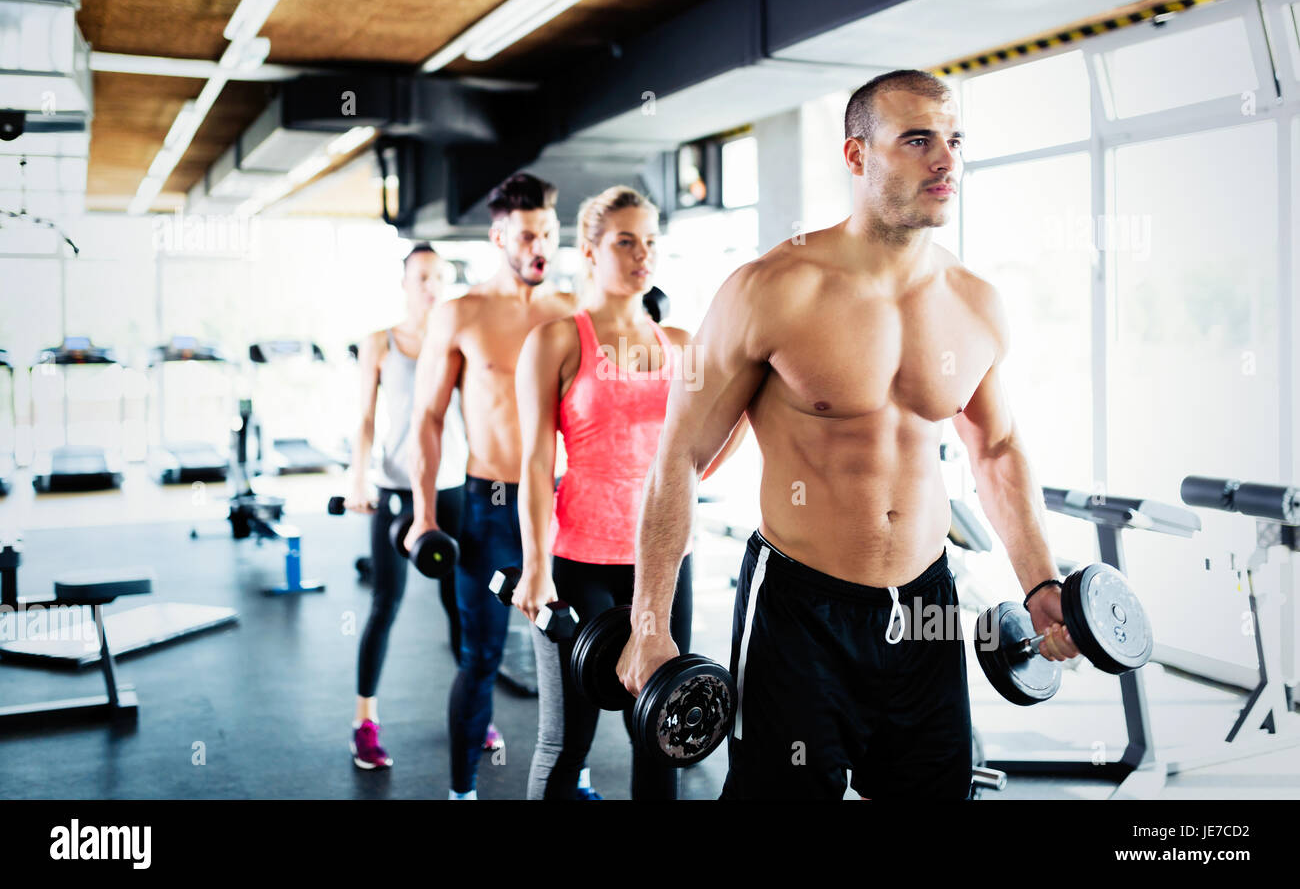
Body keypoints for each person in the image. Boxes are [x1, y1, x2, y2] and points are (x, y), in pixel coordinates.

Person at [617, 69, 1080, 800]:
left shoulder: (973, 302)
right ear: (857, 156)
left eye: (954, 141)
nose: (946, 161)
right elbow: (678, 455)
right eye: (918, 140)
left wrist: (1040, 581)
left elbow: (994, 450)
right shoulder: (771, 289)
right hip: (801, 615)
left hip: (926, 610)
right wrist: (650, 621)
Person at [514, 186, 746, 800]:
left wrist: (748, 411)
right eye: (625, 241)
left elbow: (695, 460)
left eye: (650, 241)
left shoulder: (678, 344)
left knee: (662, 735)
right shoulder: (557, 341)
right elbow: (537, 465)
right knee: (567, 742)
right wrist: (536, 568)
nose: (643, 255)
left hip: (665, 563)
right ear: (589, 251)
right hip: (580, 558)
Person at [406, 172, 577, 800]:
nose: (541, 247)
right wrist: (424, 514)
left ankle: (573, 776)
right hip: (489, 505)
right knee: (480, 658)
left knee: (568, 652)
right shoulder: (460, 315)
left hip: (563, 504)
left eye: (550, 235)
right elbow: (425, 420)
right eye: (529, 235)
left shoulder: (571, 315)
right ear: (498, 234)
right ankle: (463, 792)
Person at [343, 242, 470, 770]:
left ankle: (473, 712)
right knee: (385, 605)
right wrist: (358, 476)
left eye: (438, 277)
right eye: (421, 277)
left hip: (455, 488)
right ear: (404, 283)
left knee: (460, 606)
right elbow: (367, 418)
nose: (431, 286)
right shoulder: (380, 341)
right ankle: (364, 723)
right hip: (396, 490)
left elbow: (479, 419)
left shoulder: (460, 342)